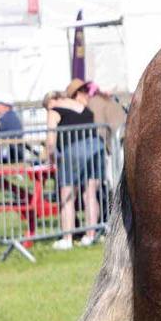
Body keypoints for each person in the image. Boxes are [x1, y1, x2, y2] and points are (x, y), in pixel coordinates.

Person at [46, 80, 104, 249]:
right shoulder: (86, 110)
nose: (88, 95)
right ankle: (90, 235)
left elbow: (51, 140)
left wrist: (51, 158)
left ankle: (67, 238)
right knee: (90, 194)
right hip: (95, 147)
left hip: (73, 149)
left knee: (67, 194)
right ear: (77, 94)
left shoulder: (55, 108)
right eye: (85, 92)